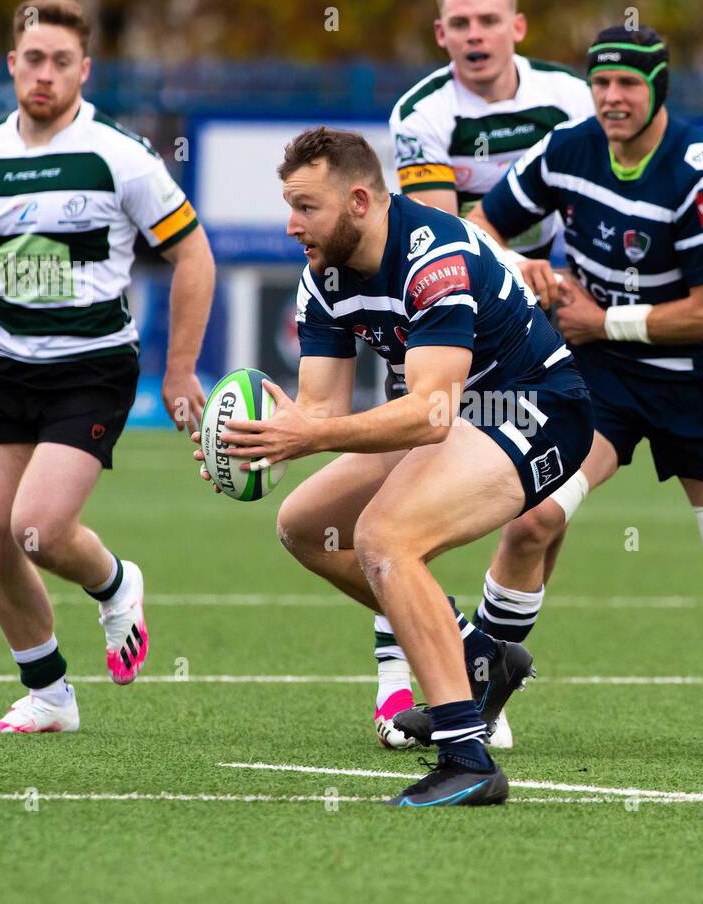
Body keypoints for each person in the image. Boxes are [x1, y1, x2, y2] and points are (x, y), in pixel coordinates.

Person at [408, 24, 703, 754]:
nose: (612, 98)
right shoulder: (570, 147)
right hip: (600, 377)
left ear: (659, 88)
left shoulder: (700, 169)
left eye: (628, 84)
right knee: (530, 519)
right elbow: (475, 224)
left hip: (698, 381)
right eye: (601, 84)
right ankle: (477, 684)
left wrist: (605, 319)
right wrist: (515, 264)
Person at [195, 126, 593, 805]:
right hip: (459, 415)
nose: (291, 225)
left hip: (534, 407)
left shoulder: (429, 252)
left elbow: (432, 411)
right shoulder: (323, 276)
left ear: (357, 200)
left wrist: (307, 437)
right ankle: (475, 652)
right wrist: (267, 436)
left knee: (385, 536)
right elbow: (323, 408)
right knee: (303, 523)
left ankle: (468, 757)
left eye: (305, 206)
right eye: (288, 205)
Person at [0, 0, 216, 735]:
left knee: (36, 528)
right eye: (32, 59)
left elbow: (194, 254)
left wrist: (179, 371)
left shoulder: (120, 155)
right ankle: (48, 694)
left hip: (95, 367)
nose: (44, 73)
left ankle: (114, 582)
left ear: (84, 70)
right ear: (12, 64)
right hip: (10, 366)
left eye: (61, 62)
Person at [373, 0, 594, 749]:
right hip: (452, 317)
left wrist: (575, 282)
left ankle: (483, 683)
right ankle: (395, 679)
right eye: (460, 24)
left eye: (488, 21)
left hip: (550, 327)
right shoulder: (421, 112)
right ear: (441, 36)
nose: (475, 35)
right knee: (398, 499)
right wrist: (513, 261)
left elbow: (593, 194)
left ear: (517, 28)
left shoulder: (570, 98)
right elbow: (442, 235)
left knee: (536, 517)